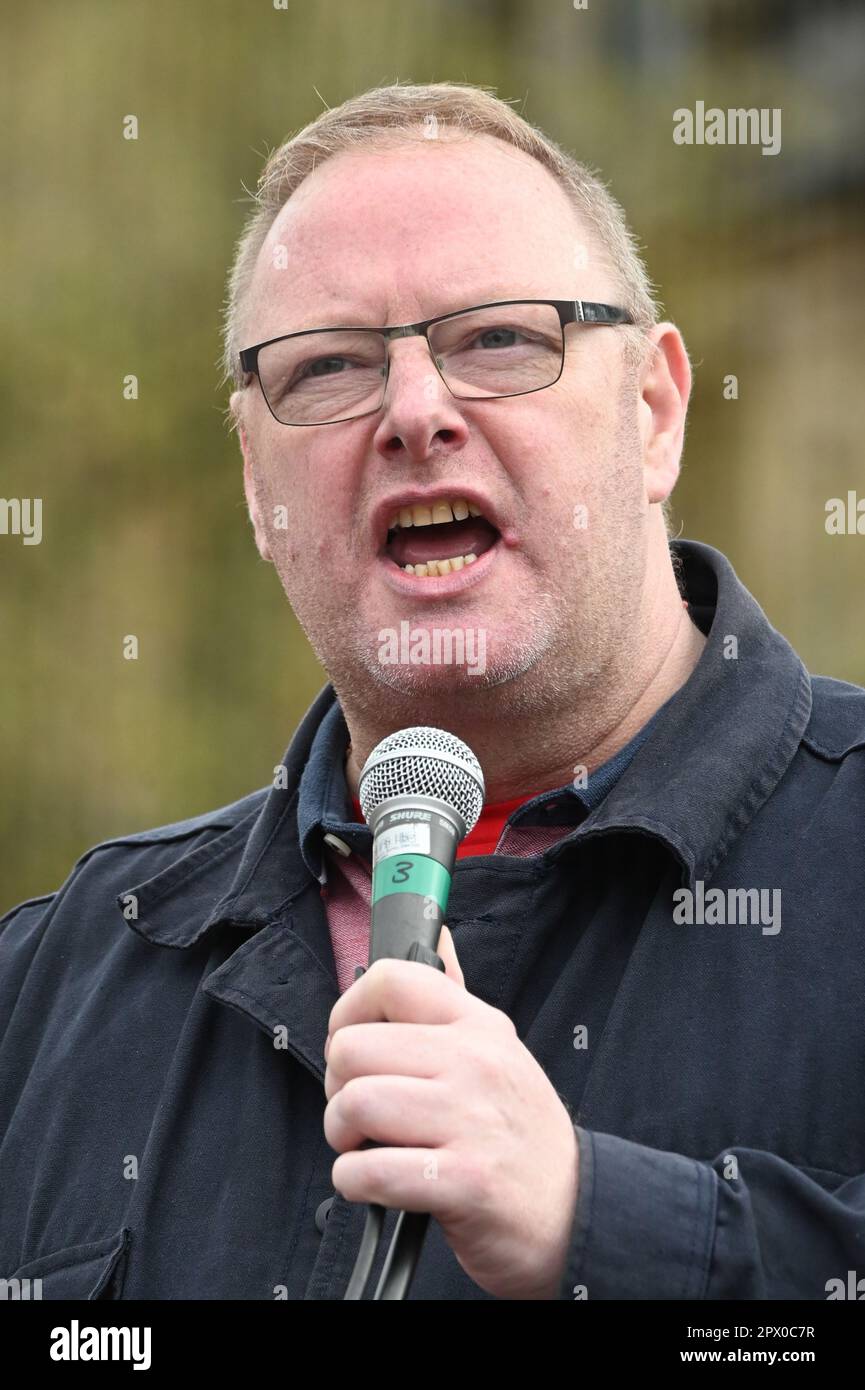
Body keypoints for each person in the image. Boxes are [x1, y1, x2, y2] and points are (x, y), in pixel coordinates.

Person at [2, 81, 863, 1302]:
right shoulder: (61, 982)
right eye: (328, 367)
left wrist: (597, 1221)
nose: (414, 414)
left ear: (656, 414)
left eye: (499, 339)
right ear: (256, 481)